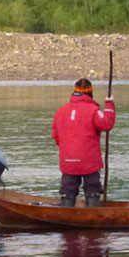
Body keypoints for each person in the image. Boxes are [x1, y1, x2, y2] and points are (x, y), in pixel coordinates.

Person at [52, 78, 116, 207]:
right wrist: (109, 104)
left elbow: (55, 136)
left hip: (67, 159)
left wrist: (68, 149)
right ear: (90, 93)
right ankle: (92, 214)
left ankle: (66, 208)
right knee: (92, 188)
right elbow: (107, 124)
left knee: (68, 190)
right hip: (89, 160)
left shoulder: (60, 111)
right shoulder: (93, 111)